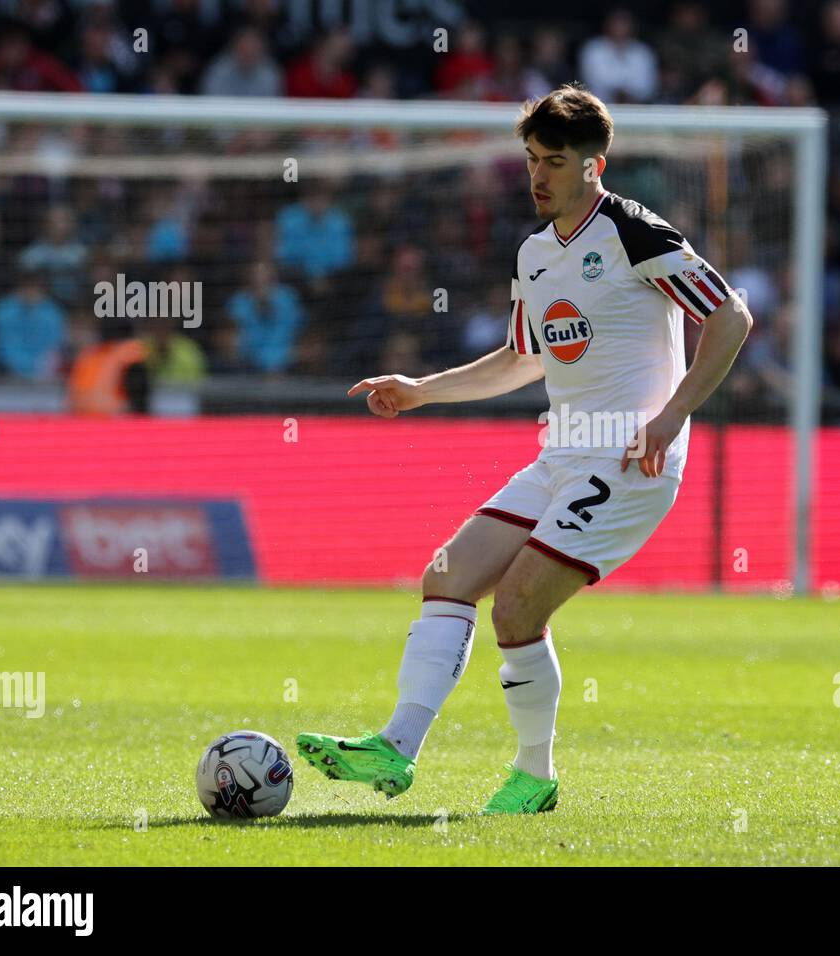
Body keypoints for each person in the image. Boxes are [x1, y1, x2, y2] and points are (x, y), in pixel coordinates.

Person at [297, 84, 752, 814]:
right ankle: (396, 748)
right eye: (532, 159)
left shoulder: (637, 233)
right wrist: (421, 390)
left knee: (514, 610)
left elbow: (730, 315)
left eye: (554, 161)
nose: (538, 176)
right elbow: (519, 359)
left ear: (593, 167)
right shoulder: (536, 252)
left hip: (630, 460)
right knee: (446, 576)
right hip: (563, 454)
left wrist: (671, 417)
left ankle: (534, 775)